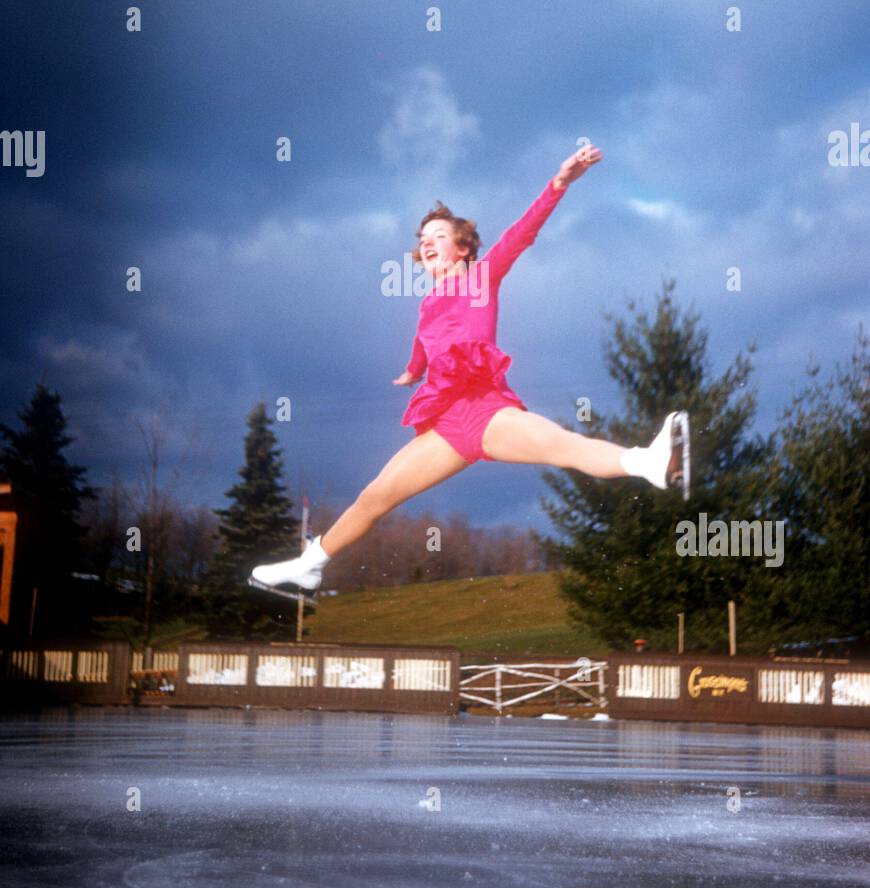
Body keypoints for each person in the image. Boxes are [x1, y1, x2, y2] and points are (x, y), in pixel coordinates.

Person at [249, 144, 689, 597]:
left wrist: (559, 183)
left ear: (463, 248)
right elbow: (426, 340)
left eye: (438, 235)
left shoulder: (483, 276)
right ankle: (311, 564)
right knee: (374, 496)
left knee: (564, 446)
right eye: (423, 238)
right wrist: (412, 370)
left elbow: (522, 233)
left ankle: (647, 462)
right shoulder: (427, 302)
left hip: (483, 407)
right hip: (444, 425)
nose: (427, 241)